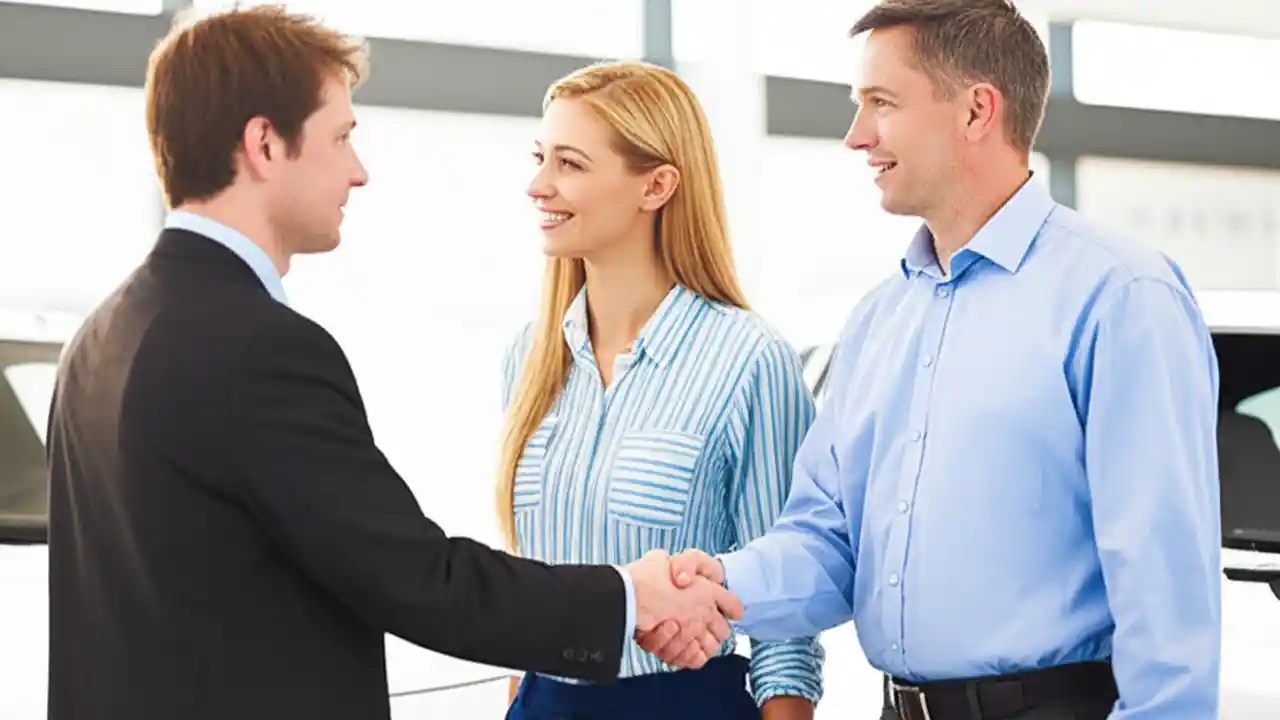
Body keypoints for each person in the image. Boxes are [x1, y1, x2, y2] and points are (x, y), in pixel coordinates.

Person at [44, 9, 741, 720]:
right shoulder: (259, 349)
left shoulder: (99, 338)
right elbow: (417, 577)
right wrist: (630, 596)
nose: (359, 170)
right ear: (263, 144)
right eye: (341, 136)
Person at [645, 1, 1222, 718]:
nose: (857, 136)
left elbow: (1164, 591)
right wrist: (719, 584)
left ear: (978, 109)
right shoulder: (880, 319)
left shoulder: (1120, 296)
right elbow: (828, 544)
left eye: (881, 103)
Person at [498, 60, 824, 720]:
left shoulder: (749, 359)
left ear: (657, 185)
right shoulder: (531, 356)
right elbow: (528, 588)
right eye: (541, 157)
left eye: (570, 163)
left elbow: (787, 620)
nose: (538, 184)